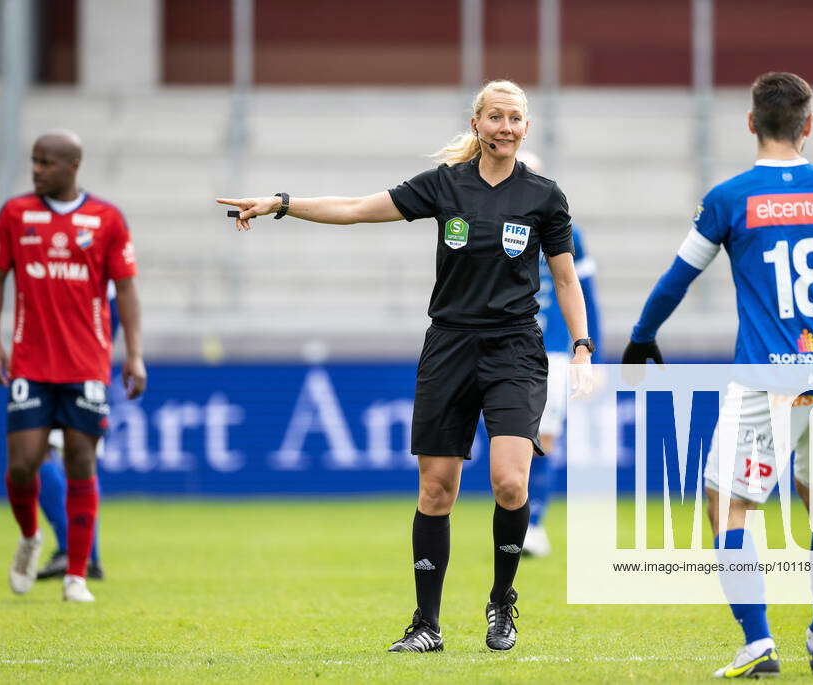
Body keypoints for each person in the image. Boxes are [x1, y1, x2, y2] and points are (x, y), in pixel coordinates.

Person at [218, 80, 593, 653]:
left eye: (515, 118)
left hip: (515, 348)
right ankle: (427, 623)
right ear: (477, 124)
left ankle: (501, 602)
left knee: (511, 482)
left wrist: (583, 346)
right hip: (449, 346)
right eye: (495, 117)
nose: (505, 127)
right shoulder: (445, 185)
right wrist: (282, 204)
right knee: (437, 489)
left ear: (526, 127)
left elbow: (566, 279)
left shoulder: (545, 195)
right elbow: (356, 209)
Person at [624, 73, 813, 678]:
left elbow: (677, 278)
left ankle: (758, 644)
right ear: (808, 125)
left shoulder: (730, 198)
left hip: (760, 382)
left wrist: (642, 336)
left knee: (727, 505)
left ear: (751, 123)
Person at [0, 130, 146, 603]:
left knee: (80, 461)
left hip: (87, 364)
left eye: (45, 162)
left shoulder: (106, 219)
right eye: (33, 161)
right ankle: (31, 536)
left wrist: (133, 353)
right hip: (30, 361)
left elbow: (128, 290)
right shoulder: (15, 214)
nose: (35, 170)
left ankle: (76, 573)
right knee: (21, 466)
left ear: (73, 166)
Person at [516, 151, 602, 558]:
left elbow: (584, 294)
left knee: (542, 438)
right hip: (504, 345)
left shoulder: (567, 231)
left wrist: (587, 350)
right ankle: (515, 518)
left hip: (549, 349)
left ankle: (532, 524)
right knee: (509, 439)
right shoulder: (492, 225)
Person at [35, 283, 120, 581]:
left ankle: (76, 553)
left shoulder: (94, 239)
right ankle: (83, 556)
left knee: (42, 451)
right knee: (74, 455)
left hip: (77, 318)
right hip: (85, 315)